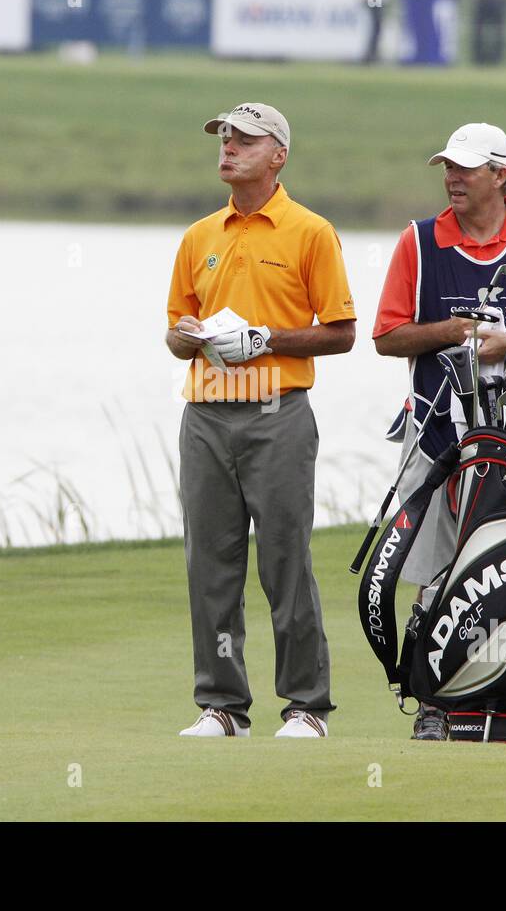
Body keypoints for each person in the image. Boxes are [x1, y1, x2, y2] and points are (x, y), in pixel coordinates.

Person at [372, 121, 506, 742]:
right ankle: (432, 702)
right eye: (447, 166)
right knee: (435, 570)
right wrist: (451, 331)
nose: (452, 178)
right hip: (438, 434)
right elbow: (388, 337)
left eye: (465, 169)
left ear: (501, 175)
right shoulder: (419, 242)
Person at [165, 102, 357, 739]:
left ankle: (307, 706)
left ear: (278, 155)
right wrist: (189, 338)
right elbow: (174, 331)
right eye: (224, 139)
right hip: (206, 415)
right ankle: (222, 705)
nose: (228, 148)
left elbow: (341, 333)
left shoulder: (310, 232)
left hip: (277, 413)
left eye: (244, 141)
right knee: (210, 564)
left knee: (283, 560)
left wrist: (266, 340)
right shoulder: (200, 236)